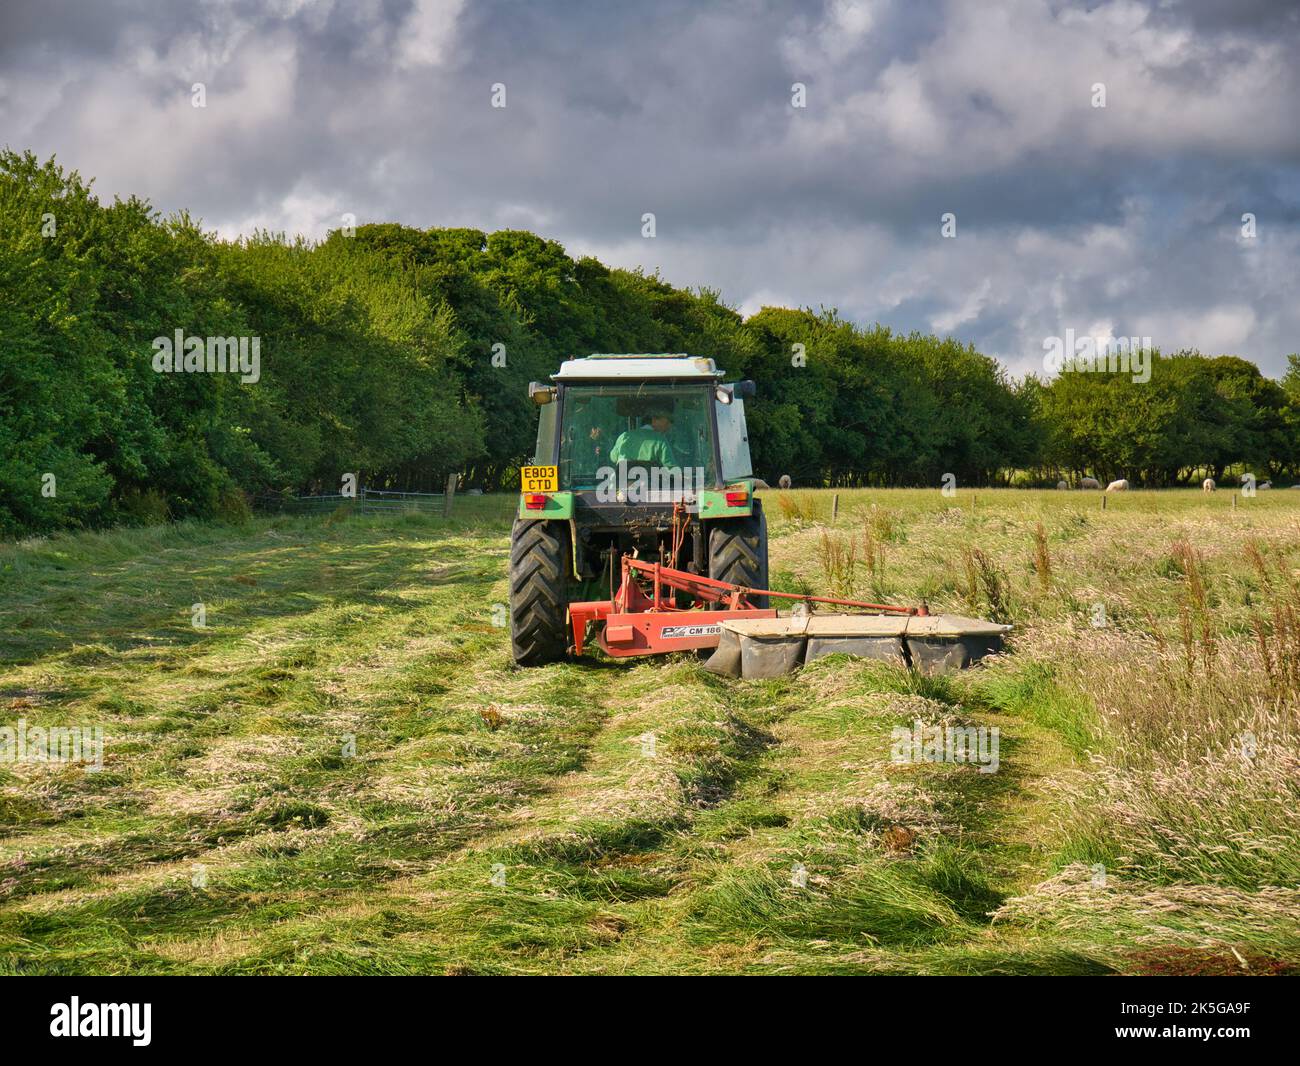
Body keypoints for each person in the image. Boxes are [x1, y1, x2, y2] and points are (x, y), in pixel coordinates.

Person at [609, 404, 678, 468]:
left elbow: (613, 457)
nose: (669, 427)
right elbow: (670, 468)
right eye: (667, 423)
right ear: (654, 420)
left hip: (622, 479)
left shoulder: (624, 436)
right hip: (649, 480)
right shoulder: (660, 440)